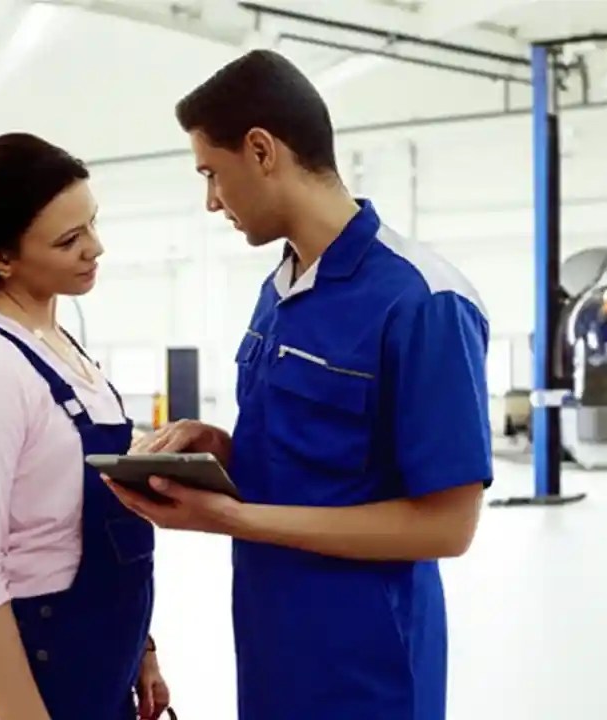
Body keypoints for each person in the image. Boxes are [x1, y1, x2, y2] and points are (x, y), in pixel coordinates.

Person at [104, 50, 493, 719]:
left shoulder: (423, 301)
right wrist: (217, 448)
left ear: (260, 150)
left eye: (212, 174)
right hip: (272, 649)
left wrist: (231, 519)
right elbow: (313, 458)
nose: (211, 201)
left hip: (369, 670)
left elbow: (448, 526)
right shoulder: (280, 287)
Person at [0, 132, 173, 720]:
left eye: (92, 223)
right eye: (69, 240)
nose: (96, 248)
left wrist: (141, 649)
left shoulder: (62, 347)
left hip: (103, 675)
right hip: (33, 684)